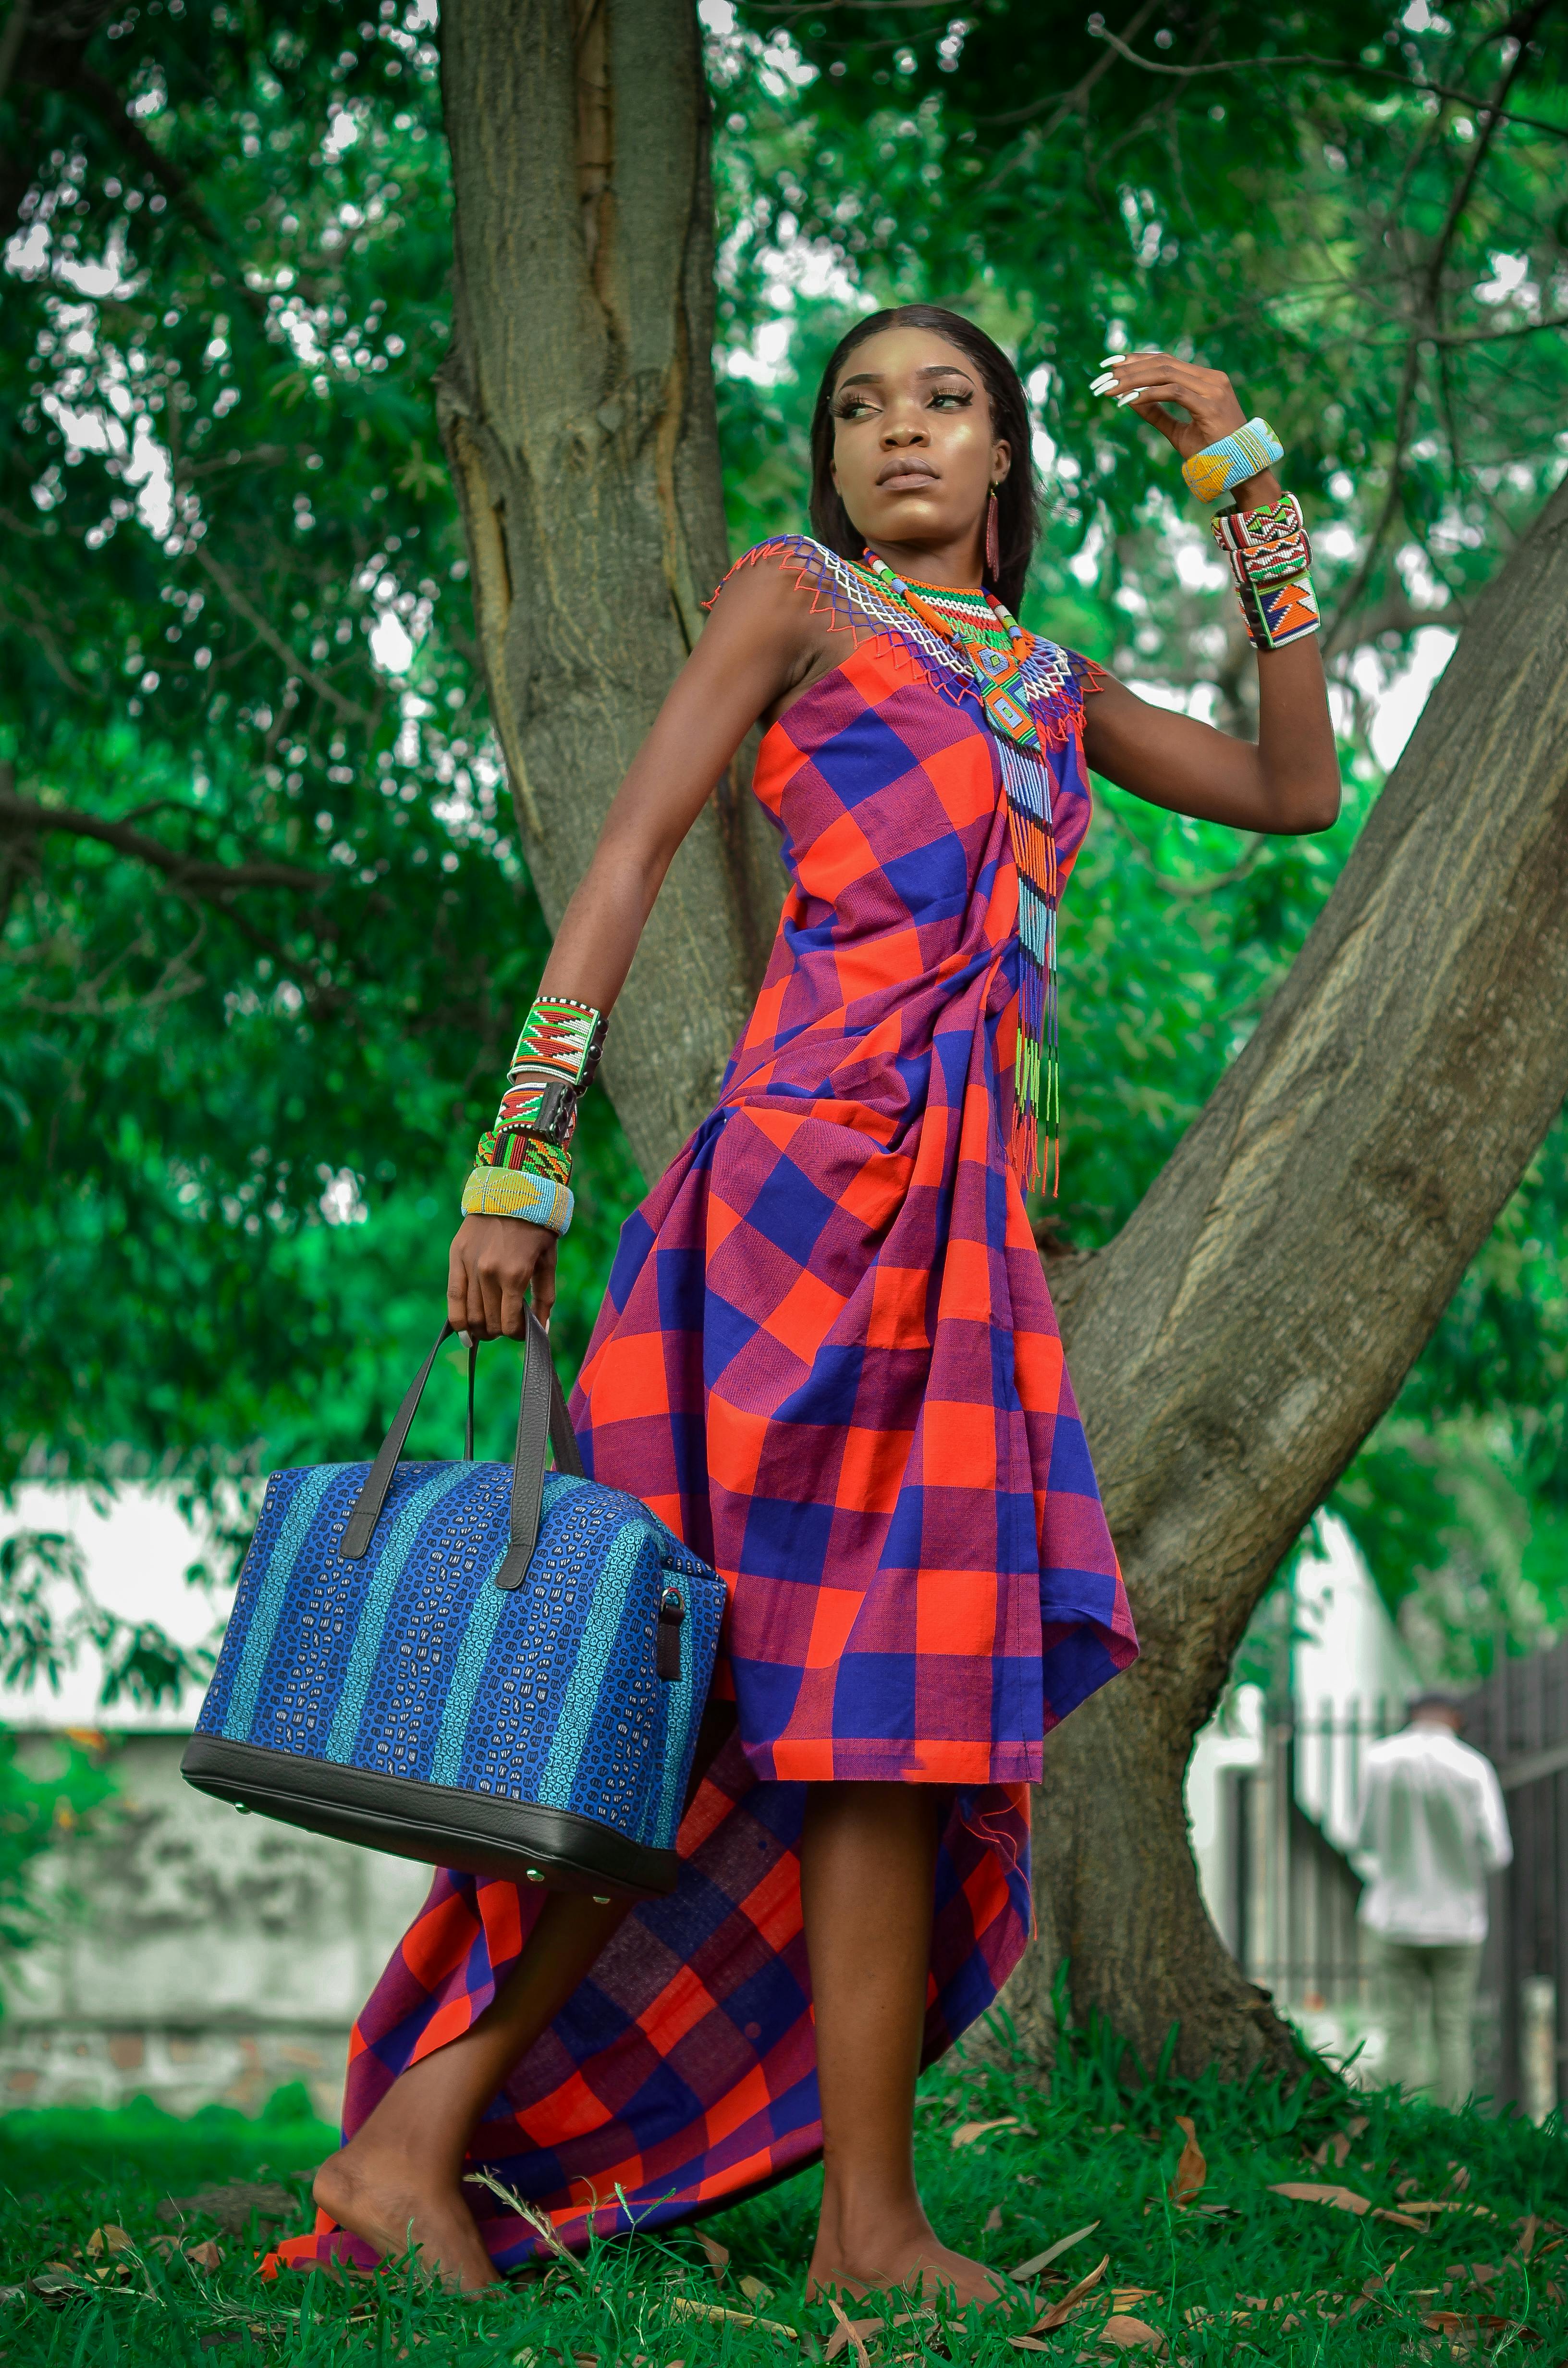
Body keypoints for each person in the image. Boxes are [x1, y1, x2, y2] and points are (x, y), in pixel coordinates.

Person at [282, 307, 1340, 2300]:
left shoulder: (1044, 680)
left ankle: (841, 2217)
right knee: (688, 1701)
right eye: (859, 410)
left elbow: (1296, 782)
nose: (897, 435)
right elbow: (630, 855)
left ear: (1010, 454)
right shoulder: (800, 600)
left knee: (885, 1722)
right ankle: (448, 2132)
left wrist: (1247, 479)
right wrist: (522, 1154)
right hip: (793, 1197)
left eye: (941, 403)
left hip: (961, 1238)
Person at [1355, 1691, 1512, 2108]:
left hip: (1393, 1916)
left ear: (1411, 1715)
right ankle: (1454, 2126)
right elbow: (1497, 1851)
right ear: (1456, 1718)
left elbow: (1365, 1839)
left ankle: (1395, 2123)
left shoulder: (1379, 1760)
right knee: (1453, 2030)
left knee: (1398, 2028)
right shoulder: (1474, 1767)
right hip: (1458, 1921)